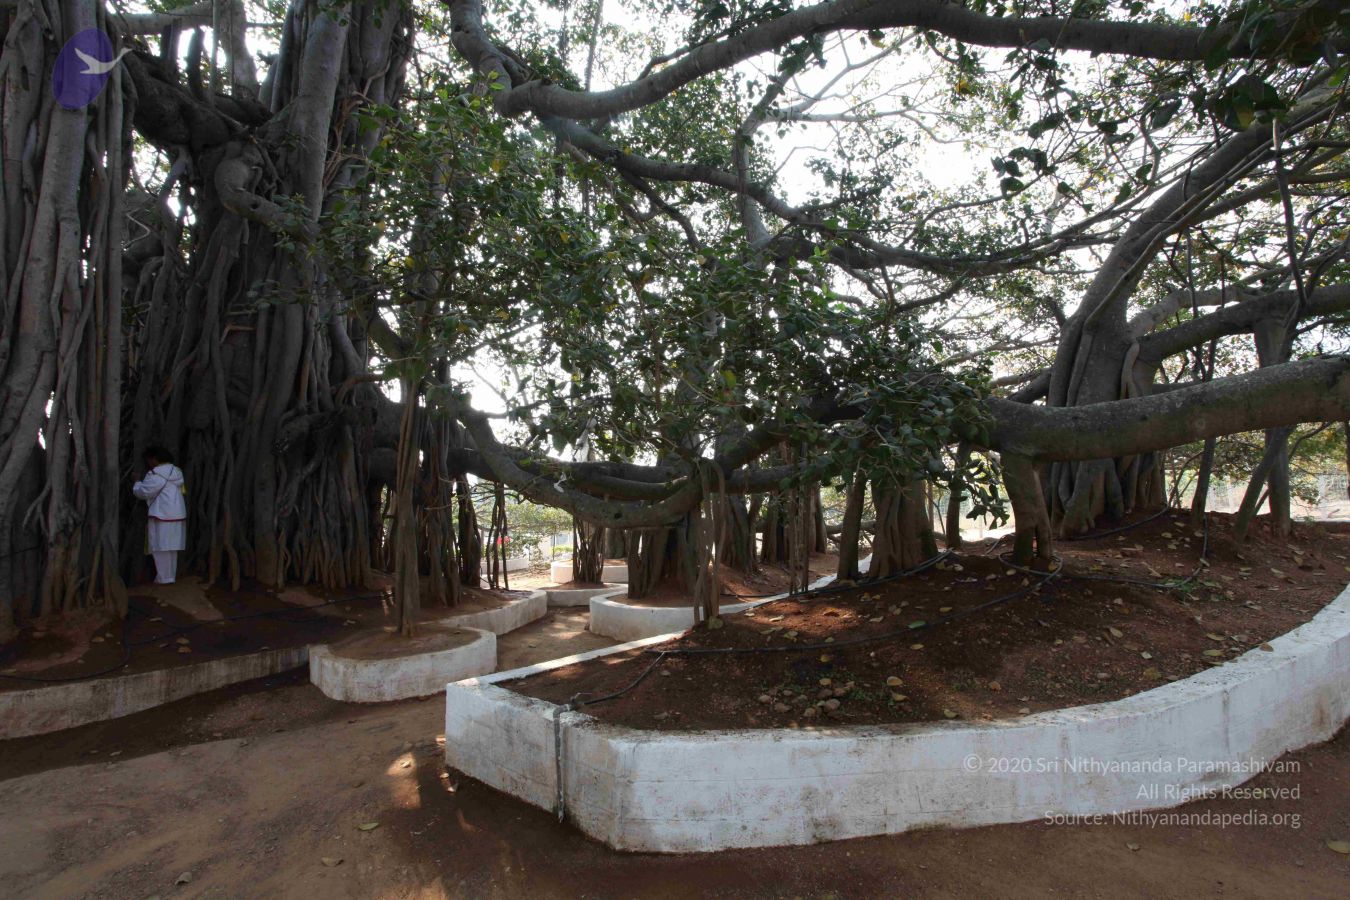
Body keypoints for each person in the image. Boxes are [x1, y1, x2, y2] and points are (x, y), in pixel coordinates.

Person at [132, 446, 187, 584]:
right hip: (177, 515)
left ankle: (164, 579)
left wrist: (137, 483)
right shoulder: (177, 471)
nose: (149, 463)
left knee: (159, 546)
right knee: (171, 547)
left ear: (155, 459)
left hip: (161, 515)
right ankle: (170, 576)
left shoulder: (156, 475)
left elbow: (144, 492)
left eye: (149, 459)